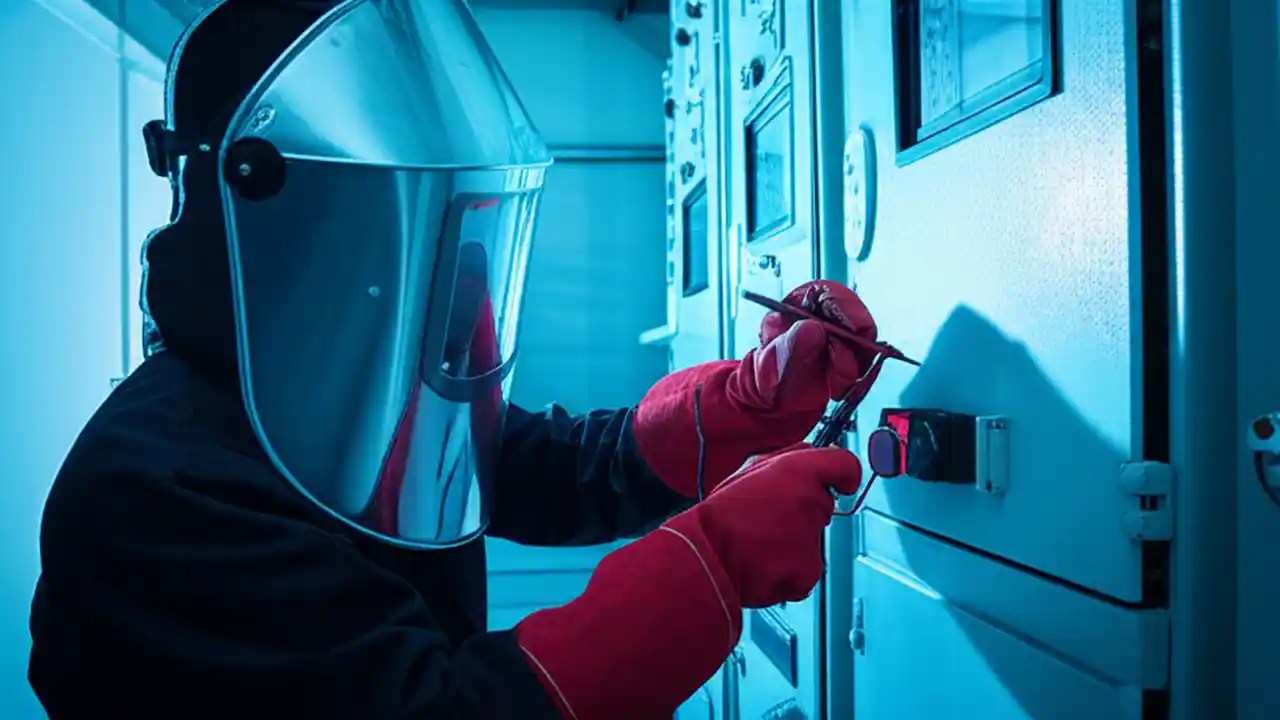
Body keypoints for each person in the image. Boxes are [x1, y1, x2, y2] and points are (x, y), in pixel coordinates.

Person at [27, 1, 885, 718]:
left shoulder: (318, 393)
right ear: (287, 239)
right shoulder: (153, 495)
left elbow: (548, 468)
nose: (455, 302)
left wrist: (743, 403)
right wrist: (716, 561)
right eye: (410, 250)